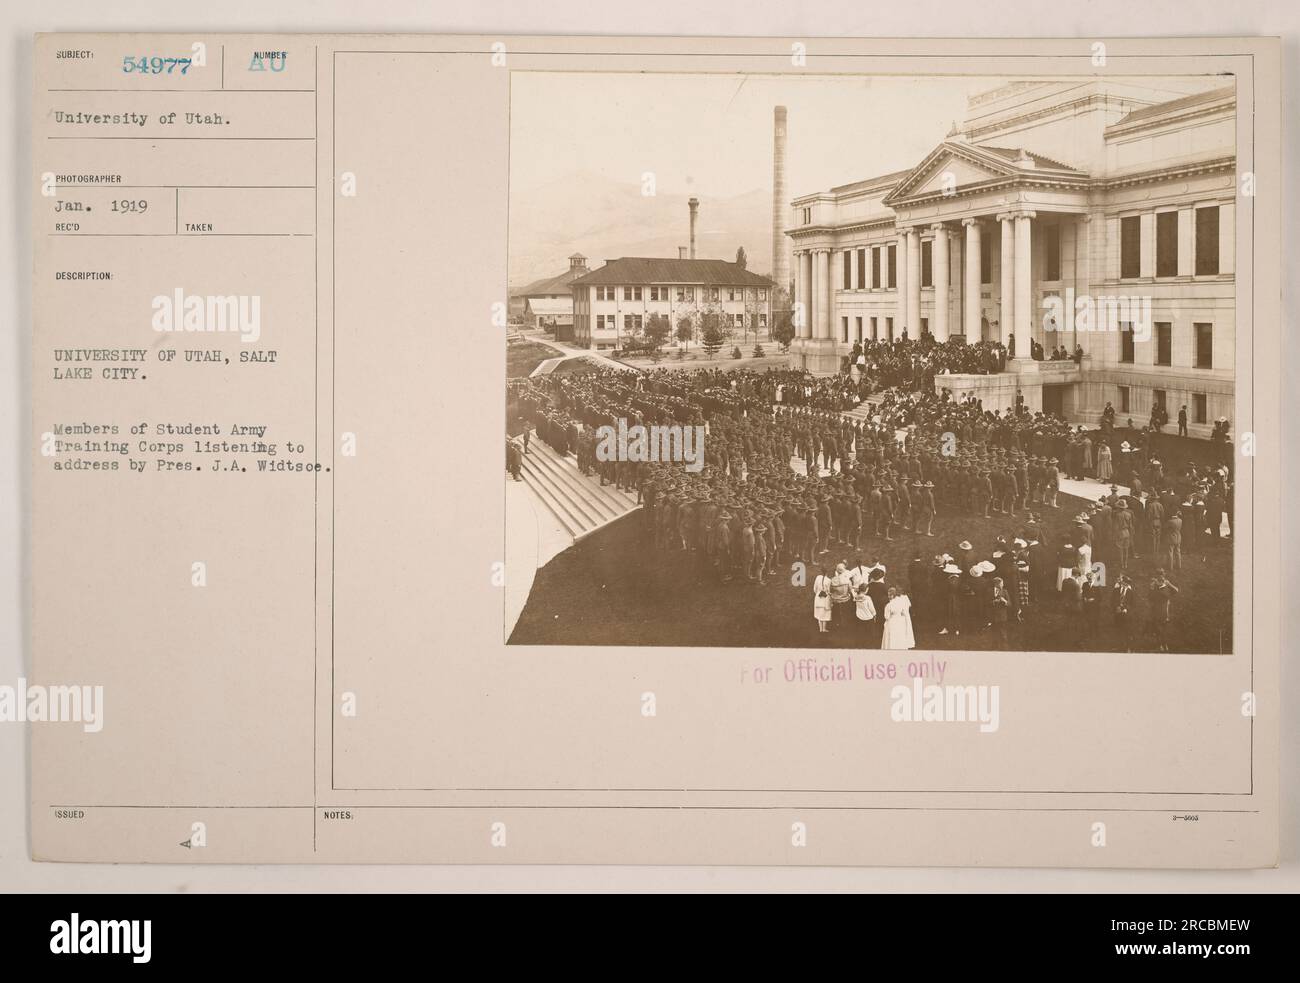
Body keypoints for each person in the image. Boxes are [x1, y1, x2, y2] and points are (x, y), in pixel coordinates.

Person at [812, 565, 833, 633]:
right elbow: (828, 591)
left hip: (818, 598)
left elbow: (814, 589)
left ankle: (820, 629)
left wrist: (818, 594)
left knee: (819, 614)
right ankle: (824, 629)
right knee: (825, 614)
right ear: (827, 572)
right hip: (825, 599)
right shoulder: (829, 580)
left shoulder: (818, 577)